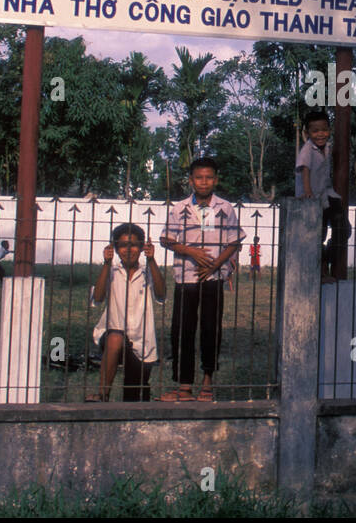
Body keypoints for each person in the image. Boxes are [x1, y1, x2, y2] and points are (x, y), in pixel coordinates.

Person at [159, 157, 245, 402]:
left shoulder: (225, 208)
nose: (204, 182)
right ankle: (184, 384)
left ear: (215, 180)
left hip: (214, 277)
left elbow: (234, 241)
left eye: (209, 177)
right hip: (186, 276)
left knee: (210, 328)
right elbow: (167, 239)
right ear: (191, 180)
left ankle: (207, 381)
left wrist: (216, 265)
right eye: (199, 177)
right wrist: (192, 252)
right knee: (182, 329)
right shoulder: (179, 208)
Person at [89, 223, 165, 402]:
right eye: (123, 246)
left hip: (142, 342)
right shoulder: (112, 271)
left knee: (134, 398)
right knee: (115, 337)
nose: (128, 250)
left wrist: (152, 260)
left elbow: (162, 295)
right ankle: (103, 394)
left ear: (141, 248)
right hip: (112, 337)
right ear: (115, 249)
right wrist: (106, 264)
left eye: (134, 245)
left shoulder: (148, 272)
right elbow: (98, 298)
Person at [296, 110, 350, 280]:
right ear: (307, 133)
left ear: (329, 130)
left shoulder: (326, 147)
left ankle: (327, 256)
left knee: (343, 230)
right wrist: (308, 192)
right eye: (315, 131)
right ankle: (321, 271)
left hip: (326, 194)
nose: (320, 134)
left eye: (324, 130)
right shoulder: (307, 150)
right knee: (317, 236)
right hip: (312, 199)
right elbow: (305, 170)